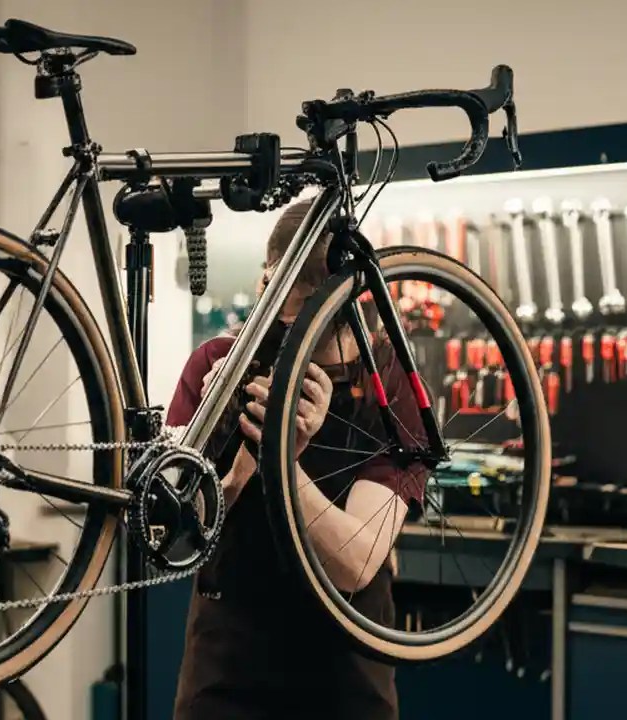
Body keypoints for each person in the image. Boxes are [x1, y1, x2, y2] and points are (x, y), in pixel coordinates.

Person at [168, 199, 431, 719]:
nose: (295, 349)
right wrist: (243, 459)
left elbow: (354, 563)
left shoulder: (391, 387)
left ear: (351, 307)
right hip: (229, 674)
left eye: (312, 325)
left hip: (343, 682)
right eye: (280, 319)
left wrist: (281, 464)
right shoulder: (218, 367)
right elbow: (176, 534)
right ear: (265, 288)